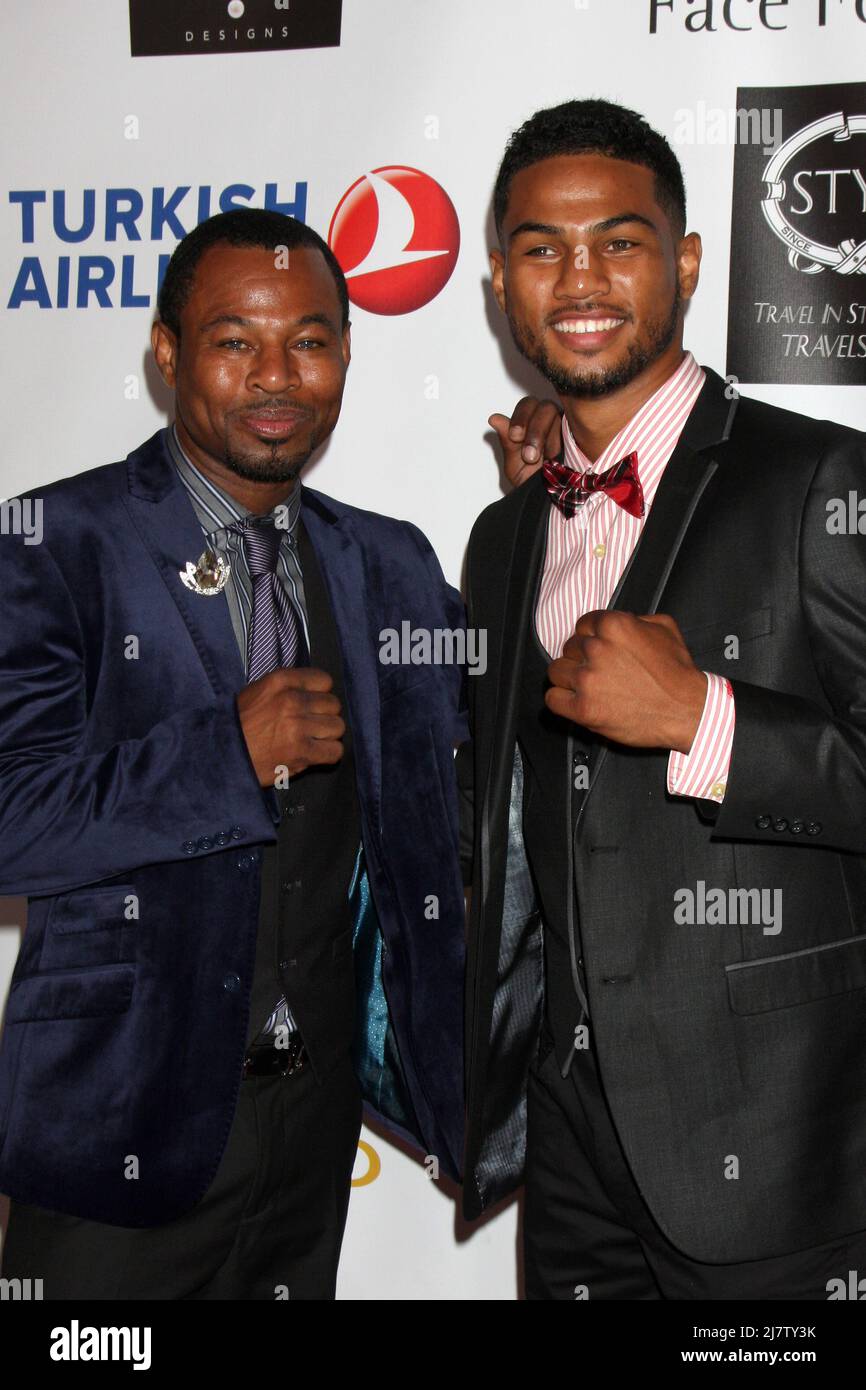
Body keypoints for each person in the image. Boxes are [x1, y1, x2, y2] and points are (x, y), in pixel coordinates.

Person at [0, 208, 468, 1300]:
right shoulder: (53, 543)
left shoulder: (386, 561)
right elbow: (12, 816)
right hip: (116, 1139)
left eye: (308, 340)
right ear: (167, 352)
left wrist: (545, 510)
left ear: (344, 354)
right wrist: (227, 752)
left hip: (306, 1149)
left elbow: (503, 723)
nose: (276, 375)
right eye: (234, 339)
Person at [459, 98, 866, 1299]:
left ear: (684, 263)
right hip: (571, 1147)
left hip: (780, 1152)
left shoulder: (816, 481)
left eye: (618, 242)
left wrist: (708, 721)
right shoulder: (498, 537)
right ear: (499, 282)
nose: (577, 276)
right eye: (541, 247)